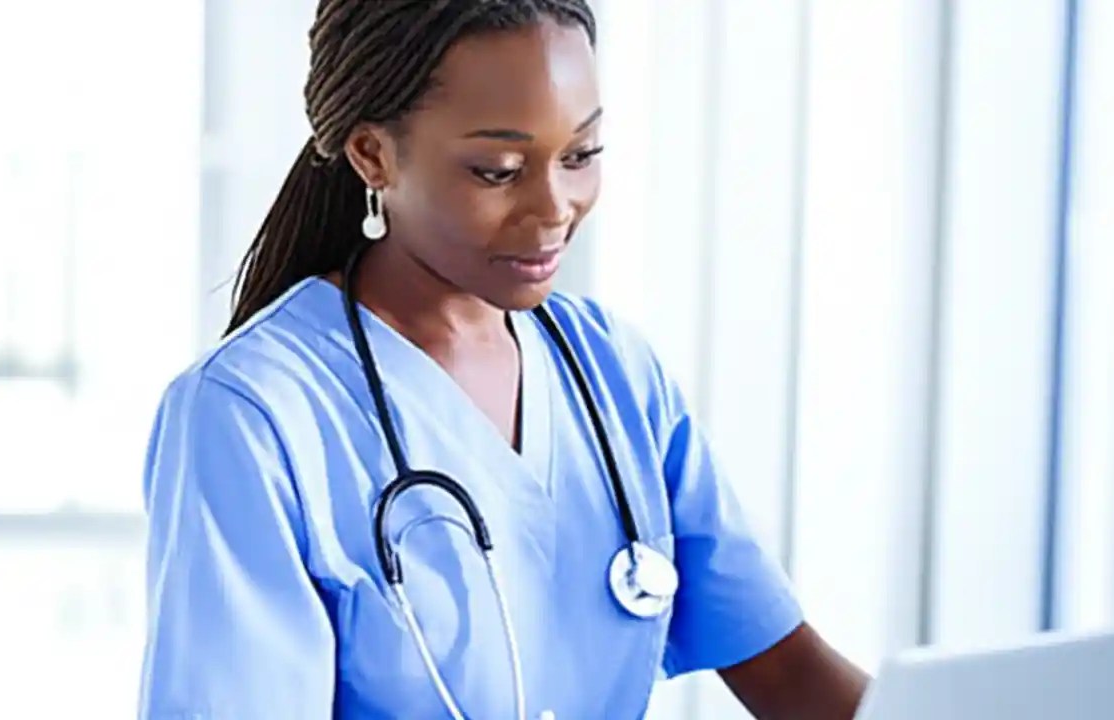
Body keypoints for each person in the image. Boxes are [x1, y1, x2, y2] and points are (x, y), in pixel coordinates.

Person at [138, 1, 869, 718]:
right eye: (498, 169)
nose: (553, 207)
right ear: (372, 155)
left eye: (580, 155)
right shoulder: (251, 415)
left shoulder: (613, 375)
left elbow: (791, 672)